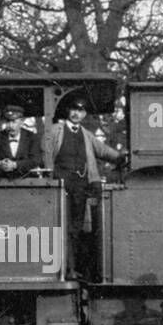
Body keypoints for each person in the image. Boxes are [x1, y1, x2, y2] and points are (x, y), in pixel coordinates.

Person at [42, 96, 123, 279]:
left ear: (84, 114)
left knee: (76, 229)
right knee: (61, 226)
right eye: (74, 109)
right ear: (68, 111)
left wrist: (121, 157)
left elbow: (102, 150)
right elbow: (45, 153)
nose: (77, 113)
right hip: (60, 186)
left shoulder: (86, 134)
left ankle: (73, 268)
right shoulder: (56, 130)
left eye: (81, 110)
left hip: (80, 187)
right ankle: (65, 269)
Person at [0, 105, 42, 178]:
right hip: (2, 183)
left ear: (21, 122)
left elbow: (35, 160)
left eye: (14, 122)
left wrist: (15, 165)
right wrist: (0, 163)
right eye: (8, 121)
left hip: (26, 182)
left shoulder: (31, 137)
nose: (10, 126)